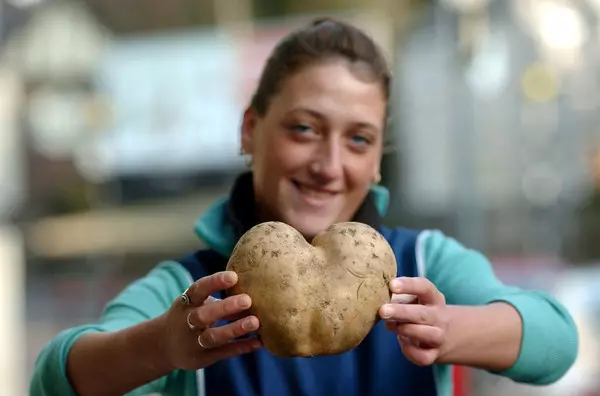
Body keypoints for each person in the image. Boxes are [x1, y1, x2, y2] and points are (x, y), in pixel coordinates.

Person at [30, 18, 578, 396]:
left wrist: (451, 328)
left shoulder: (425, 266)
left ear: (378, 161)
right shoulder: (192, 292)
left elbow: (556, 339)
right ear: (250, 129)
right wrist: (162, 345)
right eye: (304, 129)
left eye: (359, 140)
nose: (328, 163)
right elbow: (56, 378)